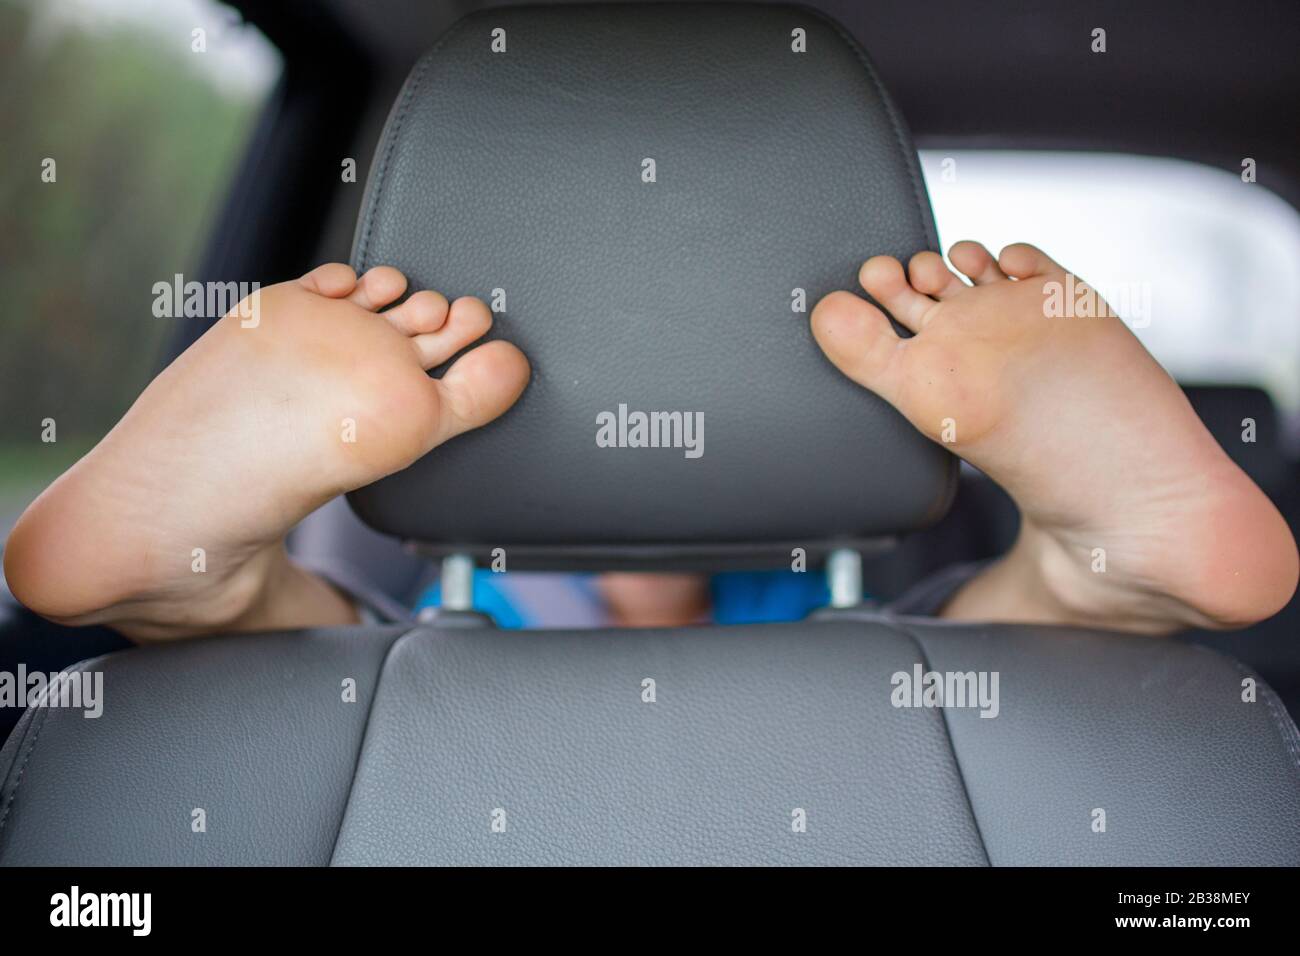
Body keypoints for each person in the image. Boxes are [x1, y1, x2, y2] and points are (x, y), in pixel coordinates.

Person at [4, 242, 1296, 641]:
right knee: (949, 659)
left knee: (353, 667)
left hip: (472, 681)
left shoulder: (459, 613)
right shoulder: (833, 593)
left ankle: (209, 595)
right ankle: (1093, 579)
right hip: (822, 689)